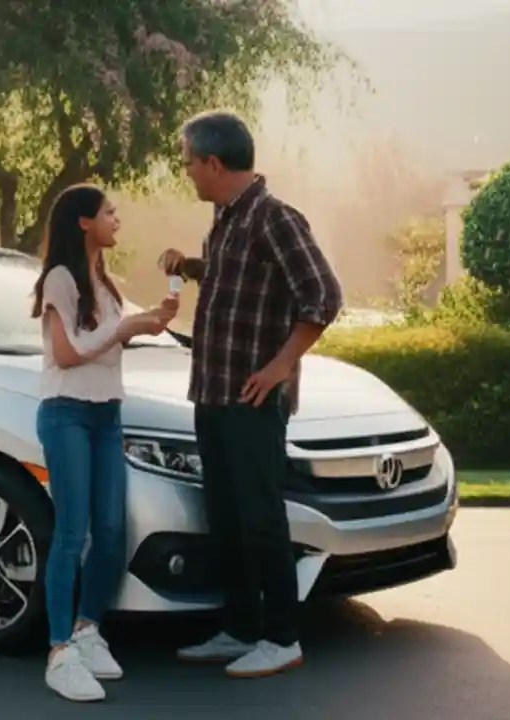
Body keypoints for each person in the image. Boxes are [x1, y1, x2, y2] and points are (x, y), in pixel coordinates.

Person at [159, 111, 343, 679]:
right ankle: (238, 629)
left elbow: (323, 296)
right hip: (212, 392)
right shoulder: (227, 220)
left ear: (214, 163)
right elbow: (233, 276)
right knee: (227, 517)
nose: (186, 170)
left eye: (189, 160)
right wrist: (189, 267)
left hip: (252, 401)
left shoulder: (274, 218)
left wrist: (280, 366)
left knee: (261, 518)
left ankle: (282, 638)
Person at [32, 183, 176, 702]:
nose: (118, 218)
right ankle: (58, 652)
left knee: (112, 530)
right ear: (83, 222)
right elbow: (67, 355)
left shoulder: (104, 281)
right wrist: (122, 331)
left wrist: (150, 320)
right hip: (66, 413)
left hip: (106, 416)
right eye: (109, 212)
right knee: (73, 534)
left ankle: (88, 629)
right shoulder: (61, 279)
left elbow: (116, 333)